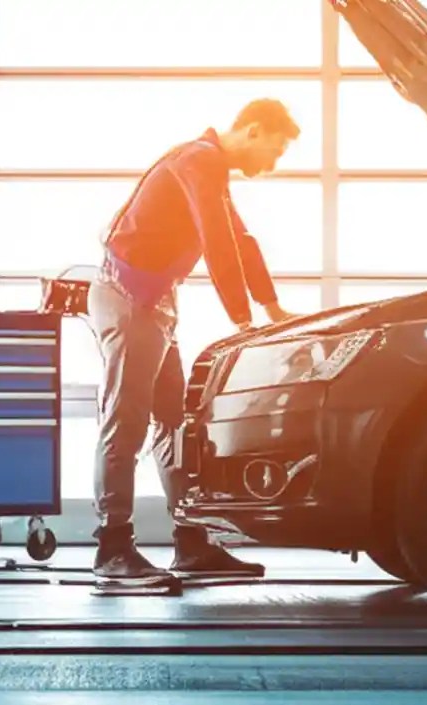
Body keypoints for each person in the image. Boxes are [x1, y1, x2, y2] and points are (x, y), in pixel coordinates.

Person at [89, 98, 301, 582]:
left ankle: (191, 543)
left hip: (156, 302)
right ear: (251, 130)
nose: (273, 163)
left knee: (174, 424)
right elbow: (215, 240)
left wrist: (271, 311)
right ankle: (112, 549)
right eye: (276, 149)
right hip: (128, 300)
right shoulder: (199, 160)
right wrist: (243, 319)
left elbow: (240, 240)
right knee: (127, 423)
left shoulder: (212, 167)